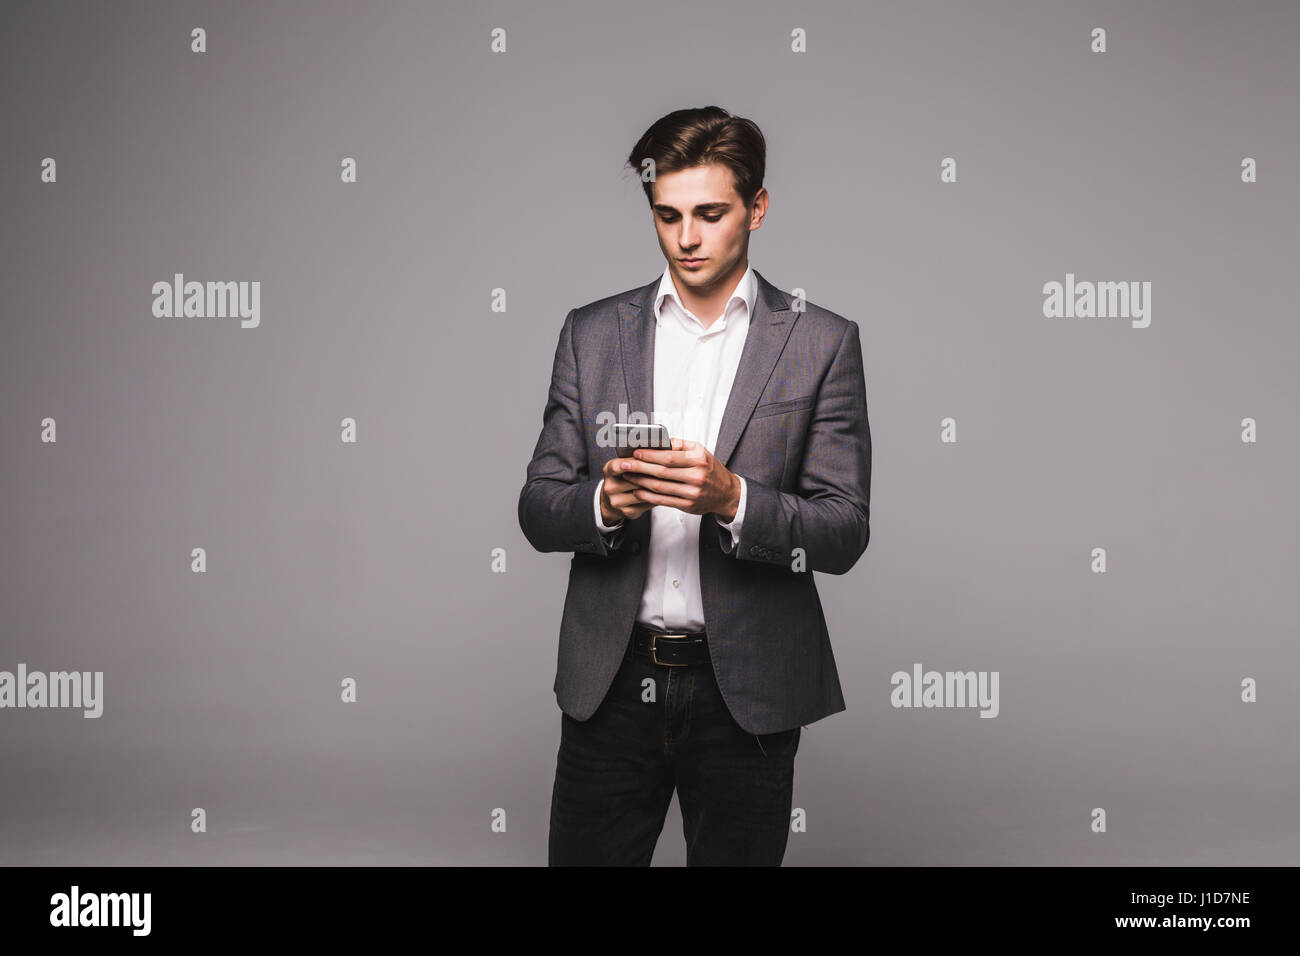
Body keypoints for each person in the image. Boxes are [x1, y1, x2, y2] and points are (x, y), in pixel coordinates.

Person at [518, 105, 872, 866]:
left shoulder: (822, 342)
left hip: (746, 688)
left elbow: (843, 531)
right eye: (667, 215)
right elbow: (539, 505)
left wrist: (732, 499)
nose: (686, 238)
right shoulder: (591, 332)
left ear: (757, 208)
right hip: (609, 682)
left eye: (711, 215)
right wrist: (602, 505)